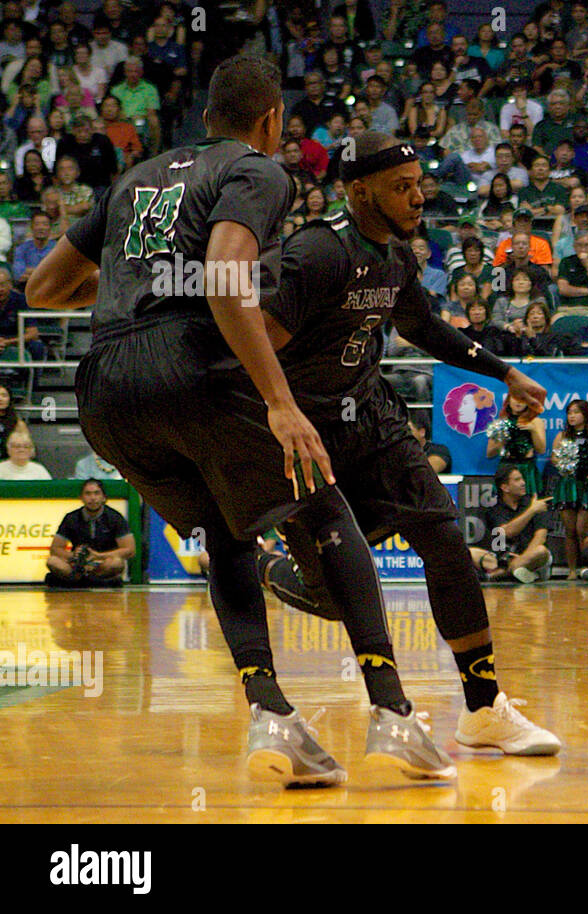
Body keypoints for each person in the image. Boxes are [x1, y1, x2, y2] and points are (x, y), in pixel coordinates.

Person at [28, 57, 459, 787]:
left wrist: (140, 292)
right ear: (271, 121)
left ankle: (273, 715)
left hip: (105, 388)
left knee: (226, 530)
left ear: (205, 116)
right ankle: (392, 713)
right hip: (193, 367)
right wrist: (281, 402)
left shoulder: (136, 178)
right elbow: (230, 275)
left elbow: (44, 285)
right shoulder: (258, 170)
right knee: (323, 501)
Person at [240, 132, 561, 756]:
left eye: (419, 185)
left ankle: (484, 707)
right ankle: (264, 565)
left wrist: (505, 371)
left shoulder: (395, 256)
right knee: (335, 598)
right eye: (401, 188)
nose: (418, 198)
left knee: (447, 542)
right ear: (359, 191)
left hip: (376, 426)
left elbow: (422, 327)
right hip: (311, 439)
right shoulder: (316, 253)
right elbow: (253, 342)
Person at [551, 398, 588, 579]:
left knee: (583, 530)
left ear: (586, 414)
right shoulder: (562, 436)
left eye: (576, 412)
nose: (572, 416)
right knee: (570, 531)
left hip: (587, 484)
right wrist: (563, 465)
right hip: (569, 484)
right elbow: (554, 458)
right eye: (569, 412)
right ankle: (572, 570)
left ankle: (587, 566)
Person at [46, 478, 134, 586]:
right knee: (52, 561)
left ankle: (85, 580)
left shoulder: (115, 518)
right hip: (77, 565)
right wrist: (73, 555)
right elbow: (55, 549)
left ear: (103, 497)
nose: (93, 498)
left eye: (97, 493)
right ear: (81, 498)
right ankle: (83, 579)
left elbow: (129, 550)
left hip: (102, 564)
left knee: (117, 563)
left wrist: (98, 556)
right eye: (88, 494)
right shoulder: (71, 518)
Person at [479, 465, 554, 584]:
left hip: (533, 559)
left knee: (541, 551)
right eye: (517, 480)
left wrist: (523, 558)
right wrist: (531, 511)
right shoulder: (494, 511)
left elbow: (540, 537)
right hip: (505, 559)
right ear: (505, 487)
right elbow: (505, 533)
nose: (523, 483)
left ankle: (505, 574)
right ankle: (518, 572)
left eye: (522, 479)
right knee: (475, 553)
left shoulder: (536, 503)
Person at [487, 393, 548, 494]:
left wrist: (533, 431)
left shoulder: (535, 421)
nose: (518, 402)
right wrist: (502, 438)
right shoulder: (500, 422)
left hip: (526, 468)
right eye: (515, 398)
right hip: (507, 466)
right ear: (509, 400)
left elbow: (541, 450)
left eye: (523, 399)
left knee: (528, 502)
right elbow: (489, 453)